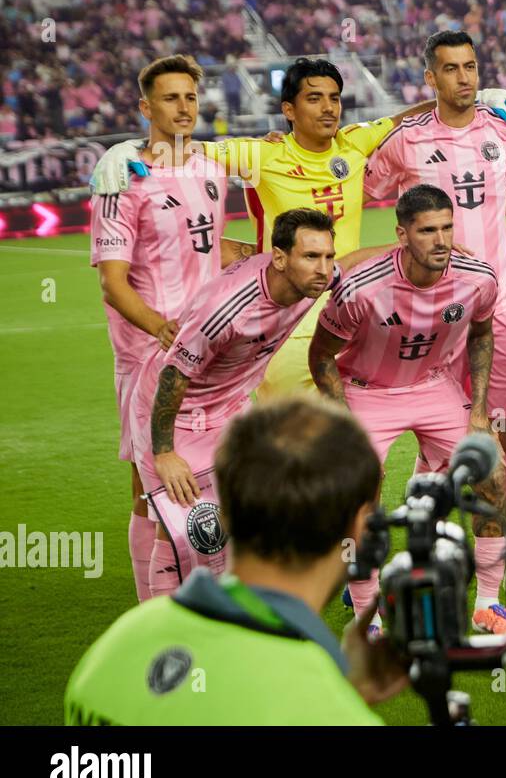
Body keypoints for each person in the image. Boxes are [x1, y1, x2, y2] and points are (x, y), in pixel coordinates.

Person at [92, 58, 440, 397]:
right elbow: (181, 149)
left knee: (355, 434)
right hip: (286, 316)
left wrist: (474, 101)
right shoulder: (260, 156)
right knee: (292, 434)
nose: (328, 108)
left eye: (334, 98)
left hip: (349, 307)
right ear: (289, 110)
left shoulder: (354, 143)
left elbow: (403, 120)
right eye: (314, 98)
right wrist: (126, 150)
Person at [65, 398, 405, 725]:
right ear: (358, 529)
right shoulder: (326, 714)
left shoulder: (112, 650)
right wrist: (339, 699)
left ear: (224, 510)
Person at [128, 209, 385, 598]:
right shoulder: (227, 310)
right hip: (175, 411)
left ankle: (233, 610)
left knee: (248, 516)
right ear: (280, 258)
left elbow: (350, 263)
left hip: (230, 407)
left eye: (327, 256)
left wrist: (406, 248)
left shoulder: (309, 280)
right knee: (189, 529)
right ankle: (158, 628)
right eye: (312, 257)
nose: (324, 268)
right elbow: (173, 377)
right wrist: (163, 452)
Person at [363, 31, 506, 572]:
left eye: (471, 66)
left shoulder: (504, 132)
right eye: (450, 68)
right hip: (430, 317)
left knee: (504, 436)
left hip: (499, 308)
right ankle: (439, 546)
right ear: (431, 78)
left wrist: (494, 211)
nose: (464, 77)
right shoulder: (407, 140)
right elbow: (366, 189)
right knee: (437, 428)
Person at [308, 184, 506, 634]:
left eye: (446, 228)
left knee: (493, 474)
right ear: (402, 235)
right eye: (427, 231)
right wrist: (343, 424)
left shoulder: (478, 277)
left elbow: (481, 334)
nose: (441, 241)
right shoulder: (361, 289)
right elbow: (321, 356)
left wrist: (479, 411)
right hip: (366, 392)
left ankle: (489, 602)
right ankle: (366, 615)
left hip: (432, 385)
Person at [89, 54, 254, 602]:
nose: (183, 108)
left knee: (228, 475)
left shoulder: (210, 167)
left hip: (214, 351)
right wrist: (163, 330)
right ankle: (152, 610)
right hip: (149, 357)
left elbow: (205, 246)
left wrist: (261, 257)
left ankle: (217, 588)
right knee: (149, 489)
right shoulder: (121, 179)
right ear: (145, 107)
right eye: (169, 98)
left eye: (189, 97)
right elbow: (113, 283)